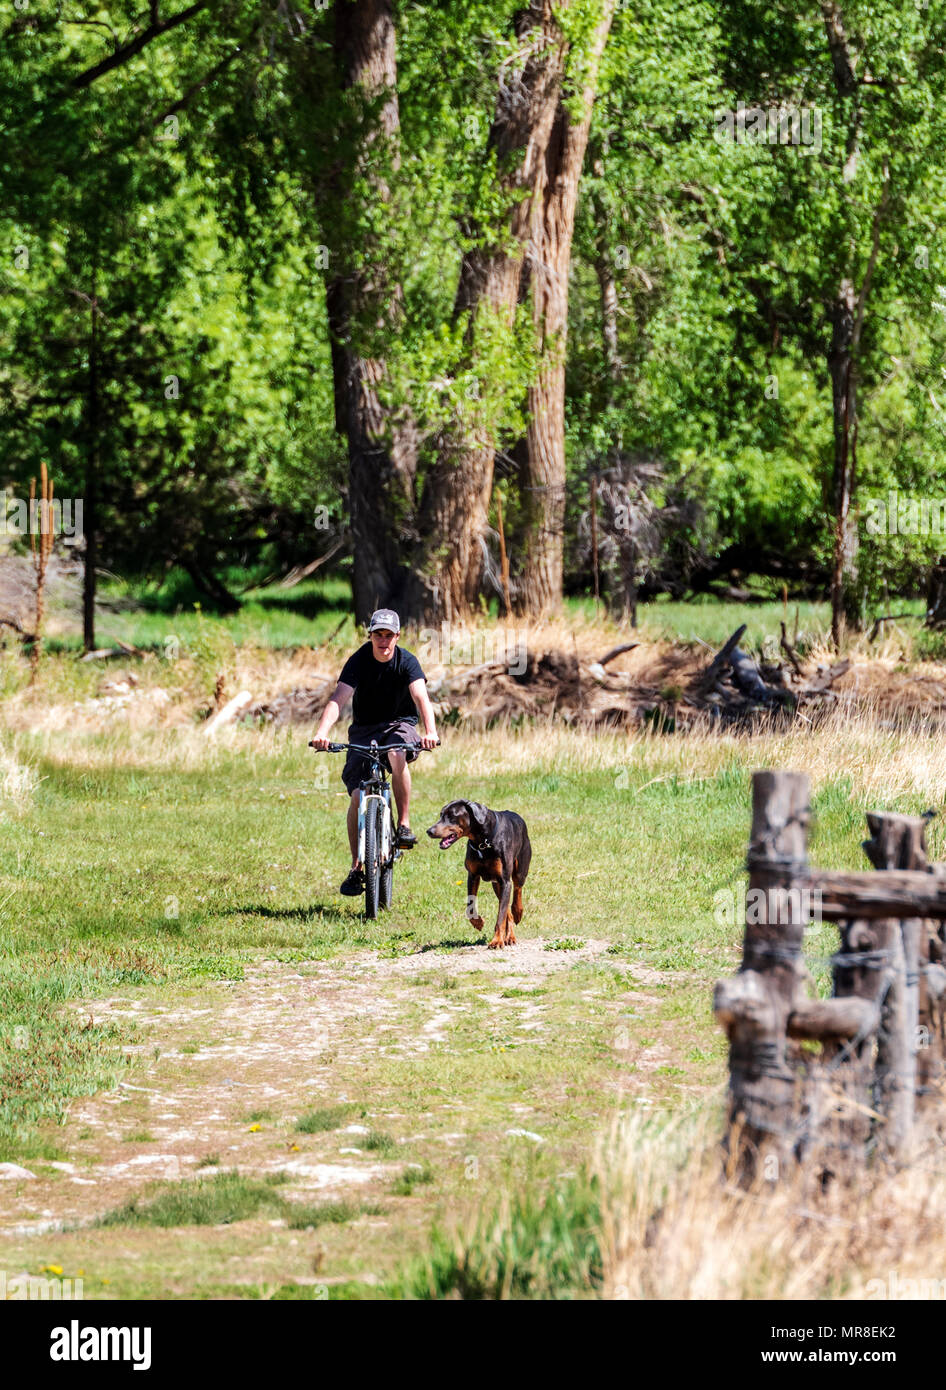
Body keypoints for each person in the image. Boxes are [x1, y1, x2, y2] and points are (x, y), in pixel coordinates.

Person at [311, 609, 439, 896]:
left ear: (397, 636)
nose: (383, 641)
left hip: (399, 725)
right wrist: (322, 733)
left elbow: (421, 698)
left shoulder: (407, 662)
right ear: (370, 636)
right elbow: (338, 700)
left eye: (388, 635)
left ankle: (403, 823)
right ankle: (357, 866)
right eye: (378, 635)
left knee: (396, 754)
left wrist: (430, 732)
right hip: (364, 730)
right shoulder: (358, 661)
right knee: (358, 796)